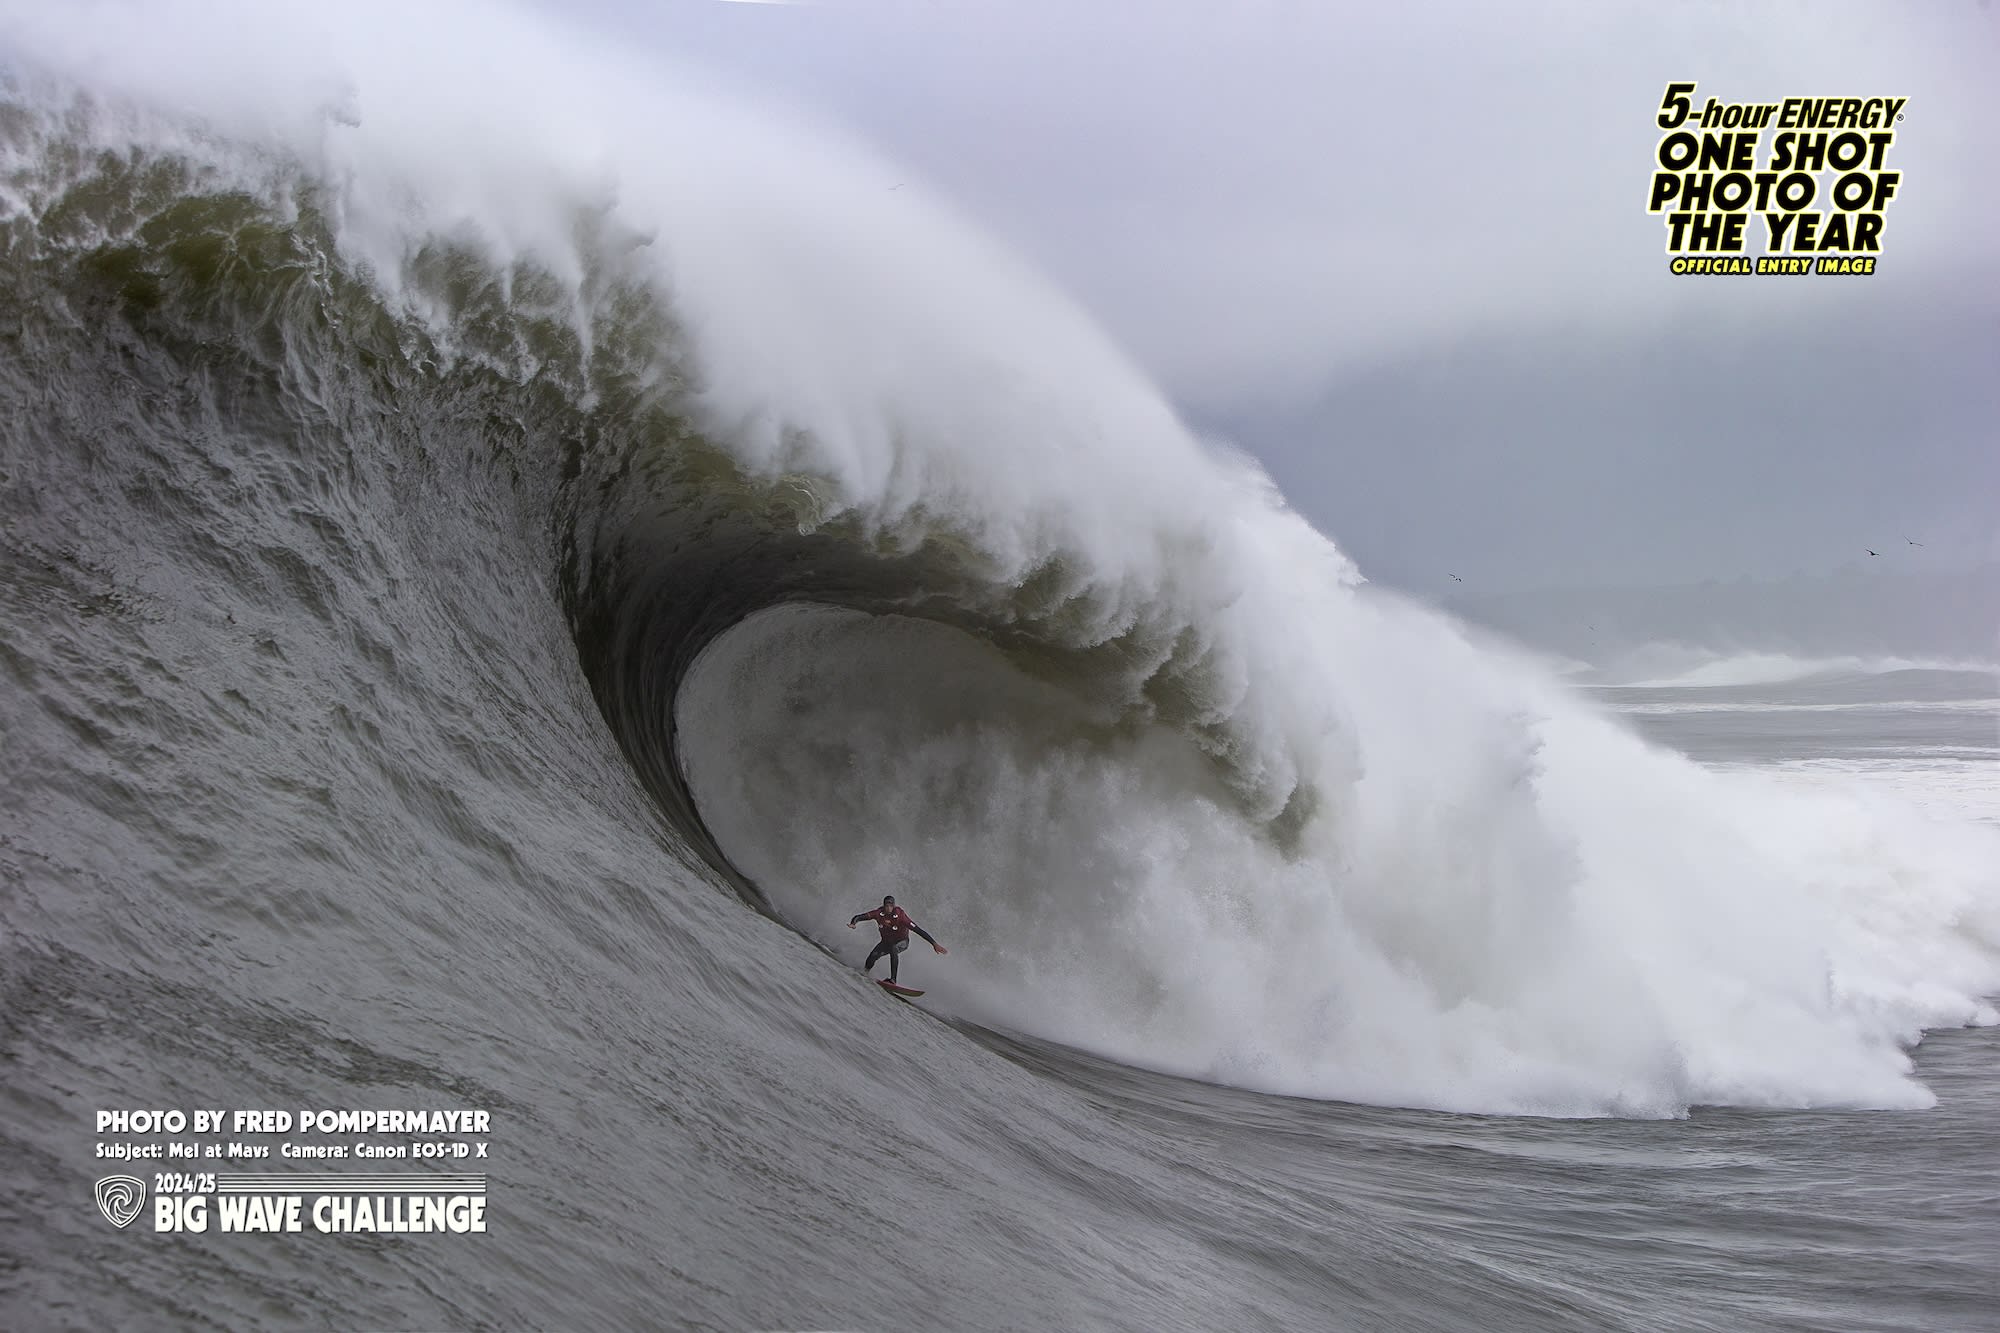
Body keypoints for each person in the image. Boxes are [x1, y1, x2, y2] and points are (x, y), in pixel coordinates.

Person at [848, 895, 946, 986]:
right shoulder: (878, 913)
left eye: (891, 906)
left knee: (893, 949)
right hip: (886, 942)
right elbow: (860, 917)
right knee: (872, 957)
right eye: (886, 905)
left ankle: (893, 980)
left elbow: (918, 930)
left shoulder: (901, 916)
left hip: (902, 942)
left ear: (893, 906)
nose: (888, 908)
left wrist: (934, 943)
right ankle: (864, 973)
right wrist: (853, 923)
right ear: (884, 905)